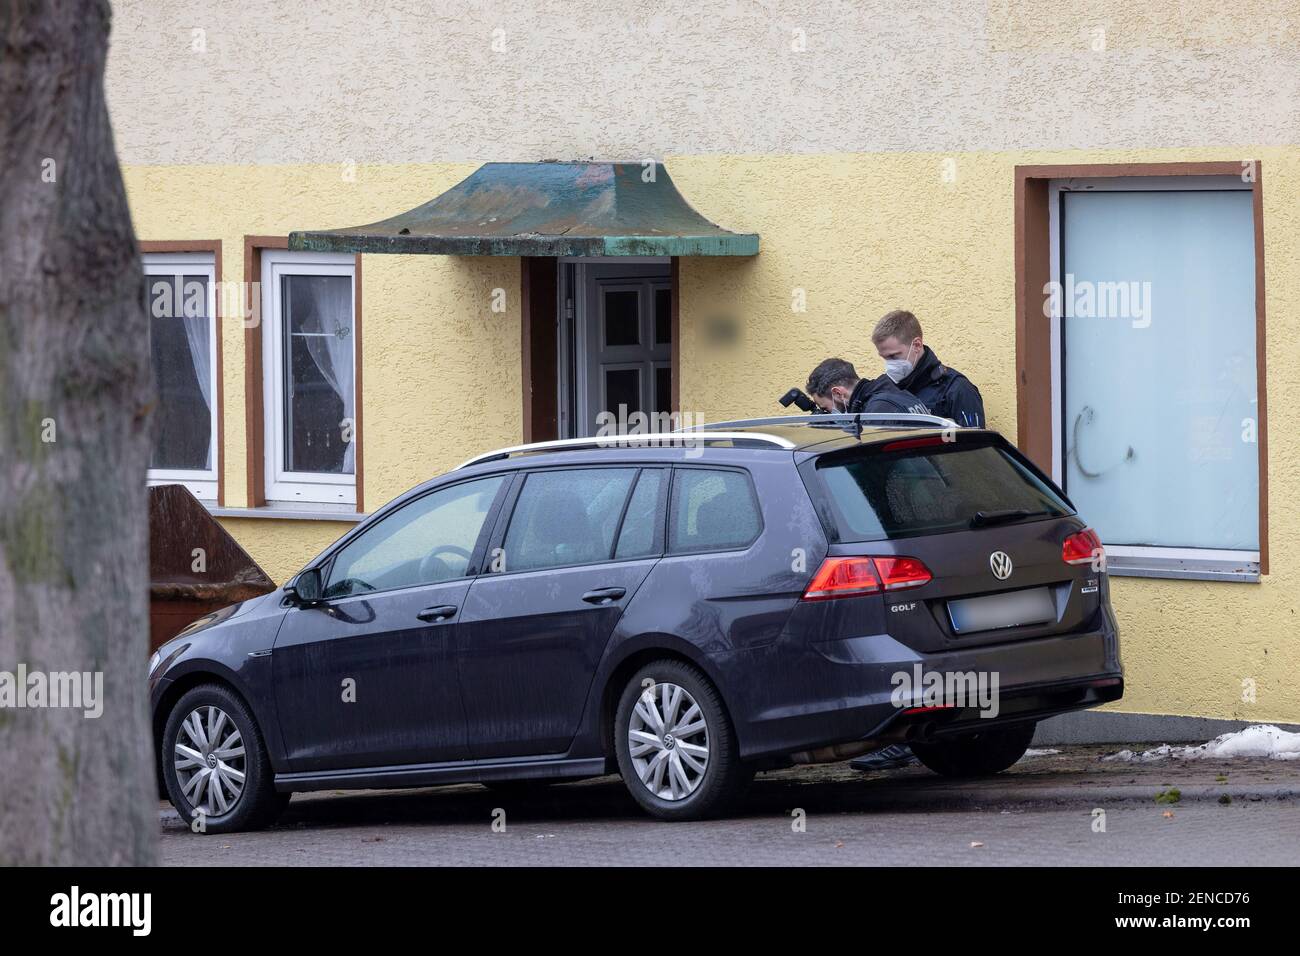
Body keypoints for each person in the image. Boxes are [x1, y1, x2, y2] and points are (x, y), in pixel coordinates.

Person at [872, 310, 985, 427]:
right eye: (885, 358)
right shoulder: (886, 389)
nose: (890, 364)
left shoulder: (957, 389)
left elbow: (975, 442)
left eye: (893, 356)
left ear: (916, 345)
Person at [805, 357, 930, 416]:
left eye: (826, 408)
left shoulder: (877, 412)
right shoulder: (894, 391)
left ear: (838, 393)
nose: (828, 413)